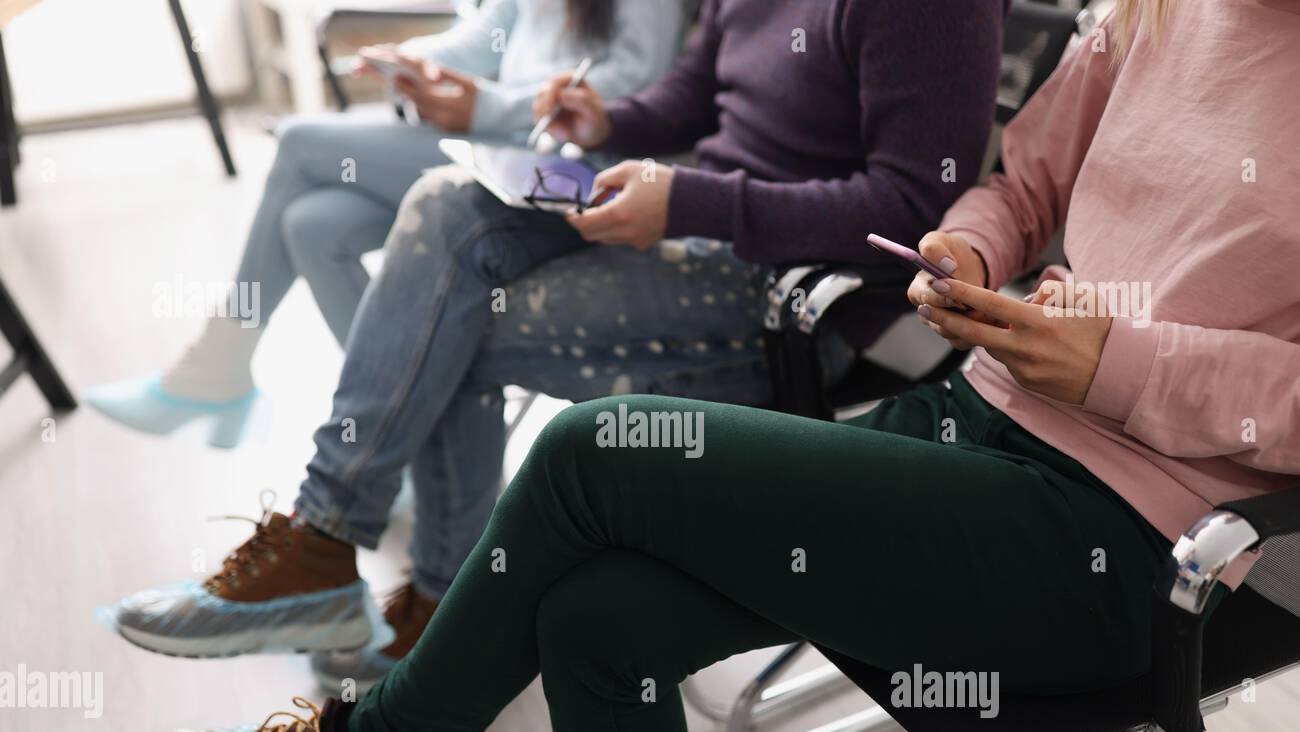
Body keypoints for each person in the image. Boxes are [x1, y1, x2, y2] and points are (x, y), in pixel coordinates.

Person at [134, 0, 1300, 732]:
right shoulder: (1150, 15)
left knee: (597, 450)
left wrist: (1124, 364)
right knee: (592, 621)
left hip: (1125, 545)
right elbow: (1019, 184)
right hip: (976, 419)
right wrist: (971, 247)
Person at [104, 0, 1010, 692]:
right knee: (443, 210)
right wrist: (603, 123)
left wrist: (694, 201)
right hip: (695, 210)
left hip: (781, 289)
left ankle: (407, 587)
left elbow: (912, 209)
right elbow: (699, 94)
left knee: (448, 310)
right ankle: (350, 550)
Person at [84, 0, 688, 448]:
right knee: (312, 225)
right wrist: (418, 63)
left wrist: (487, 105)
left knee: (298, 140)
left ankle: (221, 361)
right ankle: (405, 437)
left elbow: (638, 83)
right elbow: (487, 34)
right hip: (489, 145)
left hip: (568, 173)